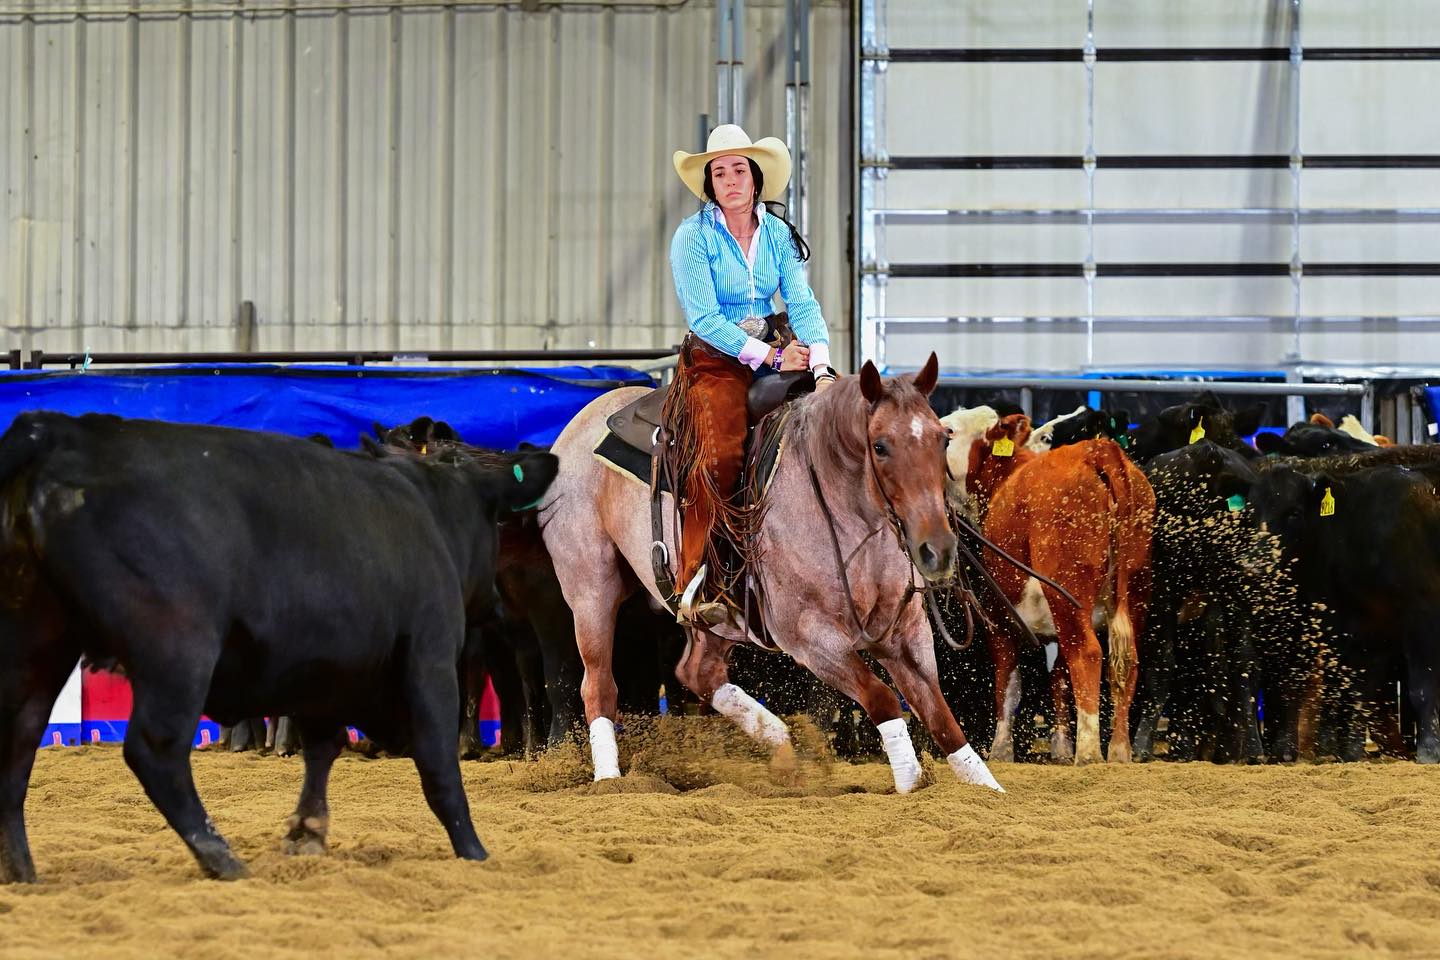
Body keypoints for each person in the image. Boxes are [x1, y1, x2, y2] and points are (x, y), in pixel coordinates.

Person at [666, 124, 837, 626]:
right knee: (720, 452)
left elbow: (801, 301)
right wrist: (770, 357)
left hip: (775, 342)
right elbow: (705, 319)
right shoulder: (693, 237)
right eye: (719, 172)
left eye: (739, 169)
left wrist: (822, 365)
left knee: (843, 423)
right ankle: (694, 578)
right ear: (711, 184)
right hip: (717, 356)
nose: (730, 179)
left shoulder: (778, 235)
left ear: (756, 178)